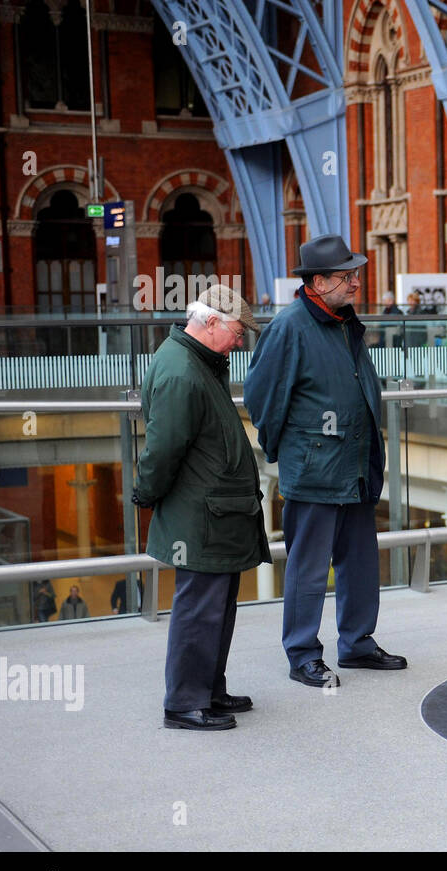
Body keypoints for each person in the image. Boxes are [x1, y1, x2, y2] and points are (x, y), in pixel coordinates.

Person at [243, 234, 407, 687]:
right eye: (346, 276)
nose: (356, 283)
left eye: (355, 274)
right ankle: (302, 654)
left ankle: (357, 644)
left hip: (355, 465)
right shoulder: (290, 327)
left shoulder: (344, 322)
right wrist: (294, 451)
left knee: (359, 562)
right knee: (308, 568)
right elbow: (262, 401)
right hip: (316, 470)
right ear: (317, 282)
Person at [134, 284, 271, 731]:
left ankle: (209, 690)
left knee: (217, 607)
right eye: (236, 332)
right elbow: (163, 449)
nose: (240, 341)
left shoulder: (196, 362)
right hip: (201, 517)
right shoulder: (183, 372)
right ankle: (184, 704)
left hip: (213, 514)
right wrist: (144, 494)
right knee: (199, 609)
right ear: (209, 321)